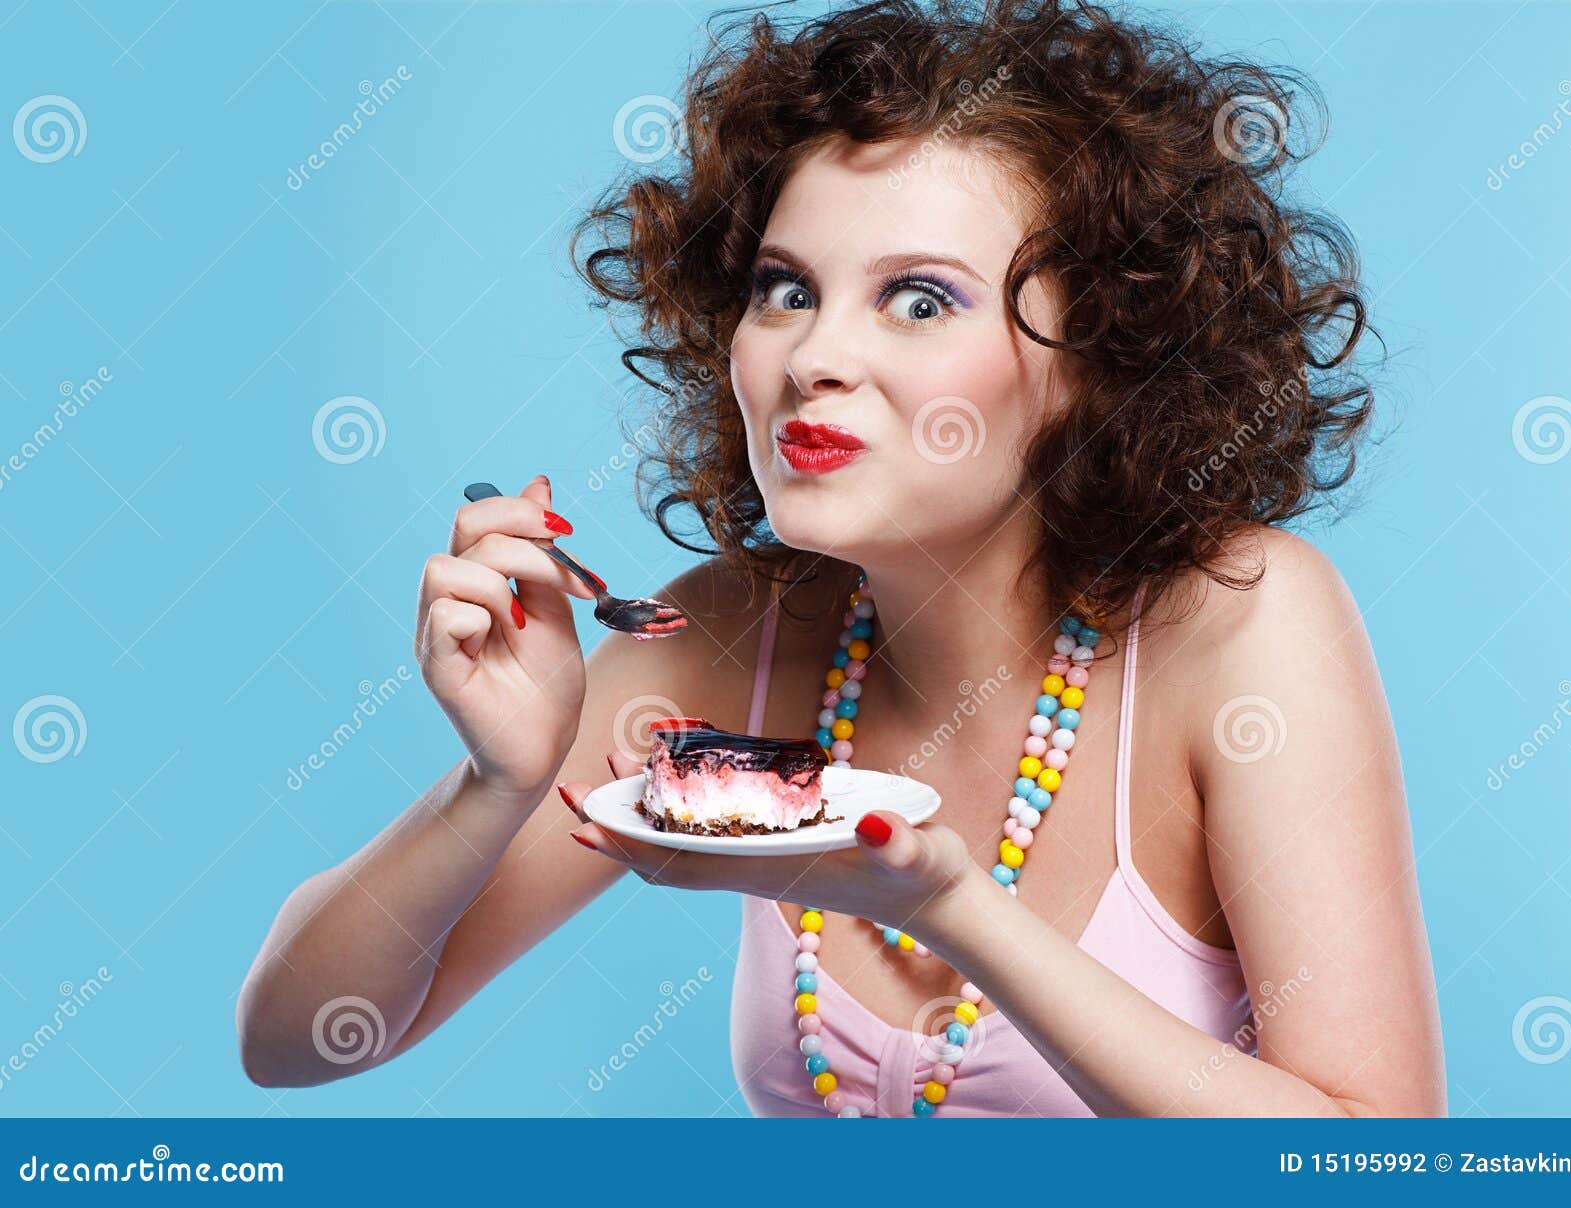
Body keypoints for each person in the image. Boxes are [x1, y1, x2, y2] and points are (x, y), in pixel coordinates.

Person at [239, 0, 1446, 1116]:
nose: (815, 354)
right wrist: (497, 782)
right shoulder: (724, 635)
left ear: (1102, 358)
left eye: (919, 300)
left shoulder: (1242, 624)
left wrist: (951, 908)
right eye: (784, 288)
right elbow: (296, 1043)